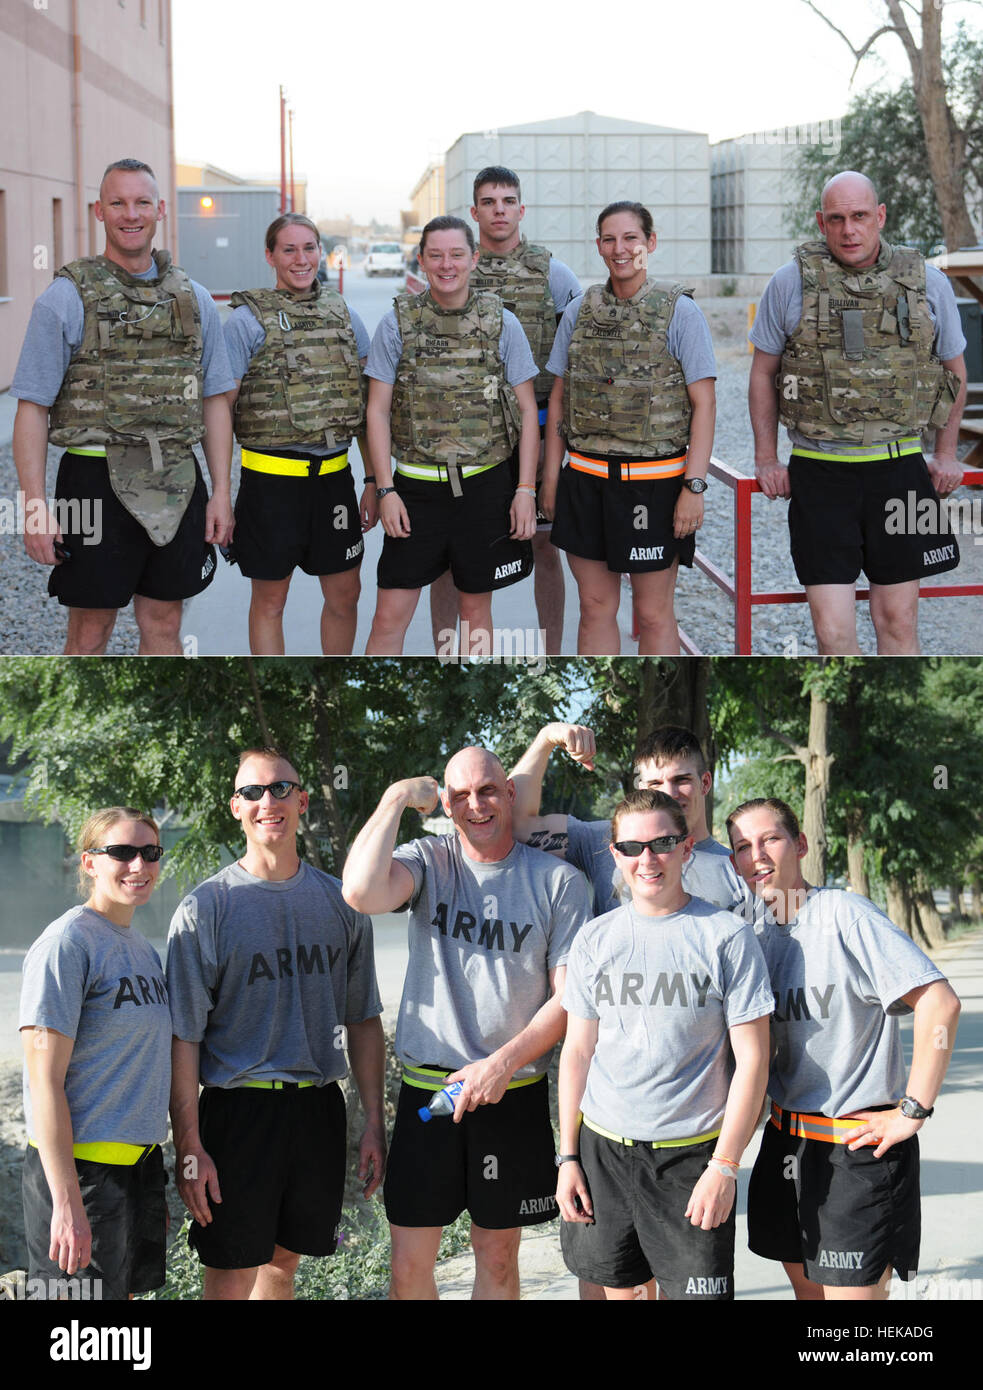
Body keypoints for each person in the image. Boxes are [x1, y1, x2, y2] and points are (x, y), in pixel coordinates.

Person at [342, 745, 591, 1300]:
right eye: (460, 796)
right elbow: (359, 891)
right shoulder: (430, 860)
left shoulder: (558, 883)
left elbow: (571, 999)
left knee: (498, 1260)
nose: (475, 805)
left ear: (509, 794)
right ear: (447, 807)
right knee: (409, 1265)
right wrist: (398, 796)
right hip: (429, 1098)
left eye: (486, 790)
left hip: (512, 1093)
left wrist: (501, 1063)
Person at [166, 746, 386, 1300]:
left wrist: (373, 1122)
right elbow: (183, 1037)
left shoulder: (343, 901)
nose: (270, 801)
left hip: (316, 1107)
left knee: (284, 1263)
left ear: (303, 800)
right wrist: (189, 1143)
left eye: (282, 788)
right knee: (233, 1270)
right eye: (254, 792)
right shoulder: (205, 909)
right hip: (238, 1110)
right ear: (235, 807)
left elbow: (362, 1020)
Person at [726, 796, 961, 1300]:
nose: (757, 854)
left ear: (801, 844)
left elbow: (940, 1003)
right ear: (734, 863)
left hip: (856, 1149)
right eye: (743, 846)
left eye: (771, 838)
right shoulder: (747, 933)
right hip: (786, 1144)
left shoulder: (844, 913)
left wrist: (912, 1111)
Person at [11, 158, 234, 655]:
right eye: (117, 202)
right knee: (91, 629)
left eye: (141, 202)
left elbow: (216, 399)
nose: (130, 214)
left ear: (160, 211)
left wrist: (221, 492)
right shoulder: (66, 298)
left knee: (163, 624)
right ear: (99, 211)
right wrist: (33, 506)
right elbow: (32, 407)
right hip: (93, 482)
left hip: (176, 480)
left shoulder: (195, 300)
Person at [556, 789, 772, 1299]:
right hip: (603, 1154)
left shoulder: (726, 937)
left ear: (686, 847)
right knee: (621, 1293)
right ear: (615, 854)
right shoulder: (595, 938)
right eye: (631, 847)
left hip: (691, 1159)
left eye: (661, 843)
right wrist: (567, 1157)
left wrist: (725, 1165)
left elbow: (754, 1061)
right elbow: (578, 1052)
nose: (646, 859)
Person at [748, 170, 968, 656]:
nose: (849, 230)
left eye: (860, 217)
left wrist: (947, 453)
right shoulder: (789, 284)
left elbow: (954, 371)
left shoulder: (927, 281)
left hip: (900, 469)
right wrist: (767, 459)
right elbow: (763, 373)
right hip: (820, 472)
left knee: (899, 622)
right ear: (821, 223)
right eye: (837, 219)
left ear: (880, 216)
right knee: (833, 633)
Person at [540, 201, 716, 655]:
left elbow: (704, 403)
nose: (620, 249)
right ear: (599, 246)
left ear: (650, 243)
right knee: (595, 605)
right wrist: (551, 479)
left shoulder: (680, 312)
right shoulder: (580, 310)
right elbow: (561, 395)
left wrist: (693, 486)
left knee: (654, 613)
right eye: (609, 239)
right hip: (586, 483)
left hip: (654, 487)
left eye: (631, 238)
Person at [362, 215, 540, 656]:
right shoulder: (397, 323)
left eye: (457, 254)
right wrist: (385, 488)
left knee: (475, 615)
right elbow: (378, 410)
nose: (447, 265)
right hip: (416, 492)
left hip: (485, 489)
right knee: (388, 616)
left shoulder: (502, 323)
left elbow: (527, 411)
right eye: (436, 255)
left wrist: (525, 490)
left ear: (474, 258)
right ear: (421, 260)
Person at [429, 167, 582, 656]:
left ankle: (551, 652)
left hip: (533, 428)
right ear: (474, 213)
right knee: (451, 556)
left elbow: (572, 364)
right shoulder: (455, 270)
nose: (499, 209)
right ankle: (449, 654)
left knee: (542, 544)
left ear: (521, 209)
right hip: (465, 438)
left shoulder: (555, 275)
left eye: (508, 200)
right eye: (489, 202)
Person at [20, 807, 170, 1300]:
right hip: (80, 1175)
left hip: (137, 1168)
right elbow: (43, 1080)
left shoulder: (141, 949)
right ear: (89, 863)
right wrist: (65, 1202)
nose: (138, 865)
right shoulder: (67, 943)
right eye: (122, 852)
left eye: (149, 853)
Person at [224, 213, 371, 655]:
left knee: (345, 598)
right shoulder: (245, 322)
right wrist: (219, 493)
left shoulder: (344, 315)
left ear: (320, 252)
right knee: (271, 601)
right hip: (271, 486)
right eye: (289, 249)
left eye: (309, 248)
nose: (301, 259)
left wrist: (374, 482)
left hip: (334, 483)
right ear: (270, 256)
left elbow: (366, 407)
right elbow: (219, 410)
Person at [511, 722, 759, 920]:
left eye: (681, 780)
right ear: (641, 788)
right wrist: (546, 739)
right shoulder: (604, 842)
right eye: (655, 784)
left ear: (705, 783)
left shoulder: (738, 871)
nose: (670, 793)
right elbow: (513, 824)